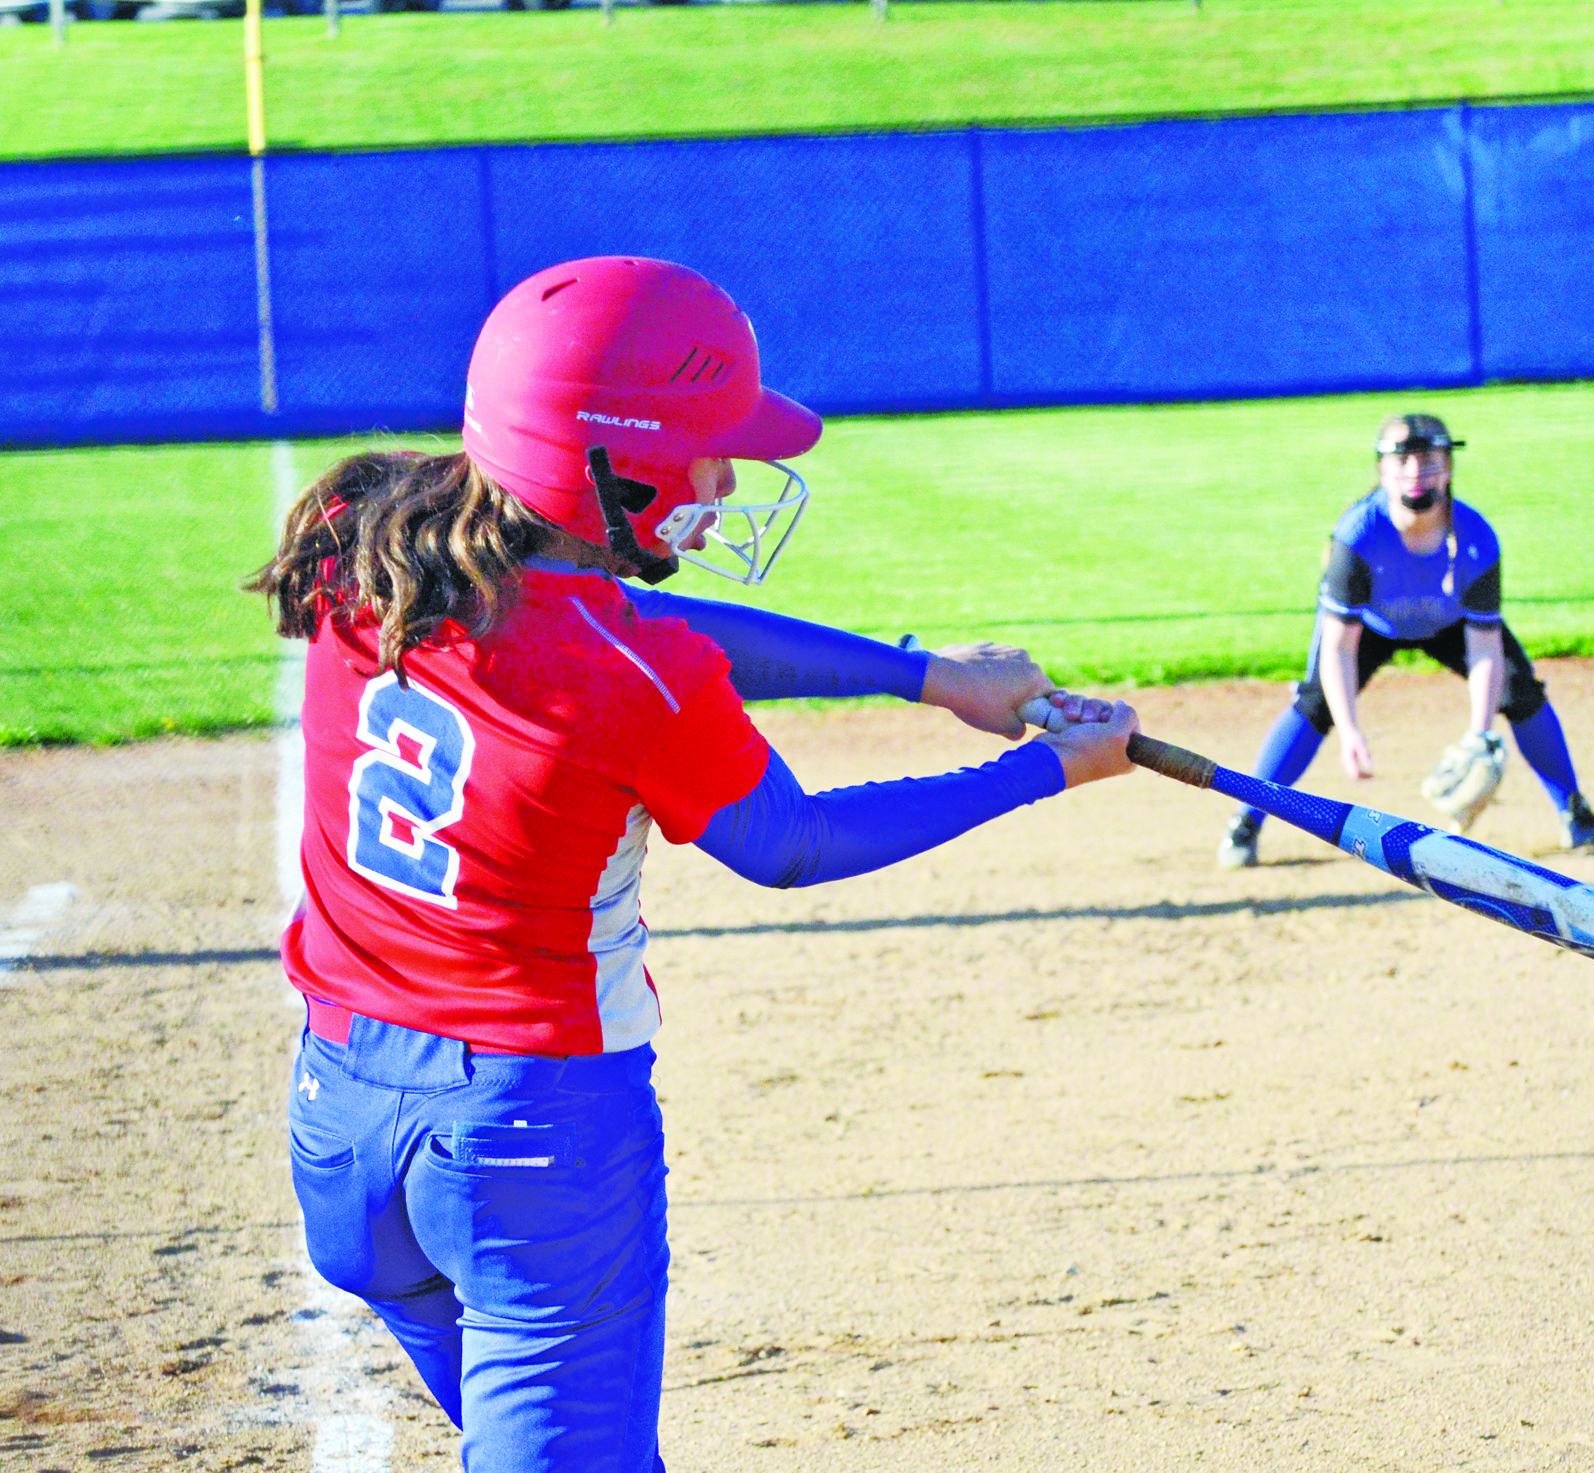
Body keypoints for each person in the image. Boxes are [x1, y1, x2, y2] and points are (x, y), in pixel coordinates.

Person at [247, 256, 1137, 1473]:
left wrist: (926, 677)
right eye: (707, 456)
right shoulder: (635, 679)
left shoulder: (372, 546)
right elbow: (790, 843)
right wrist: (1043, 772)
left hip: (340, 1121)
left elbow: (629, 629)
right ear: (614, 465)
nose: (722, 484)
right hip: (530, 1140)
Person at [1217, 411, 1594, 869]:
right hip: (1372, 625)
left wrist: (1480, 735)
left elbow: (1484, 648)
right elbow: (1339, 647)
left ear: (1449, 466)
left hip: (1449, 623)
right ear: (1381, 468)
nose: (1415, 471)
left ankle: (1574, 809)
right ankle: (1246, 820)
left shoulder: (1477, 538)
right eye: (1401, 459)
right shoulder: (1357, 536)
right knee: (1315, 704)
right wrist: (1350, 731)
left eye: (1429, 459)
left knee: (1520, 692)